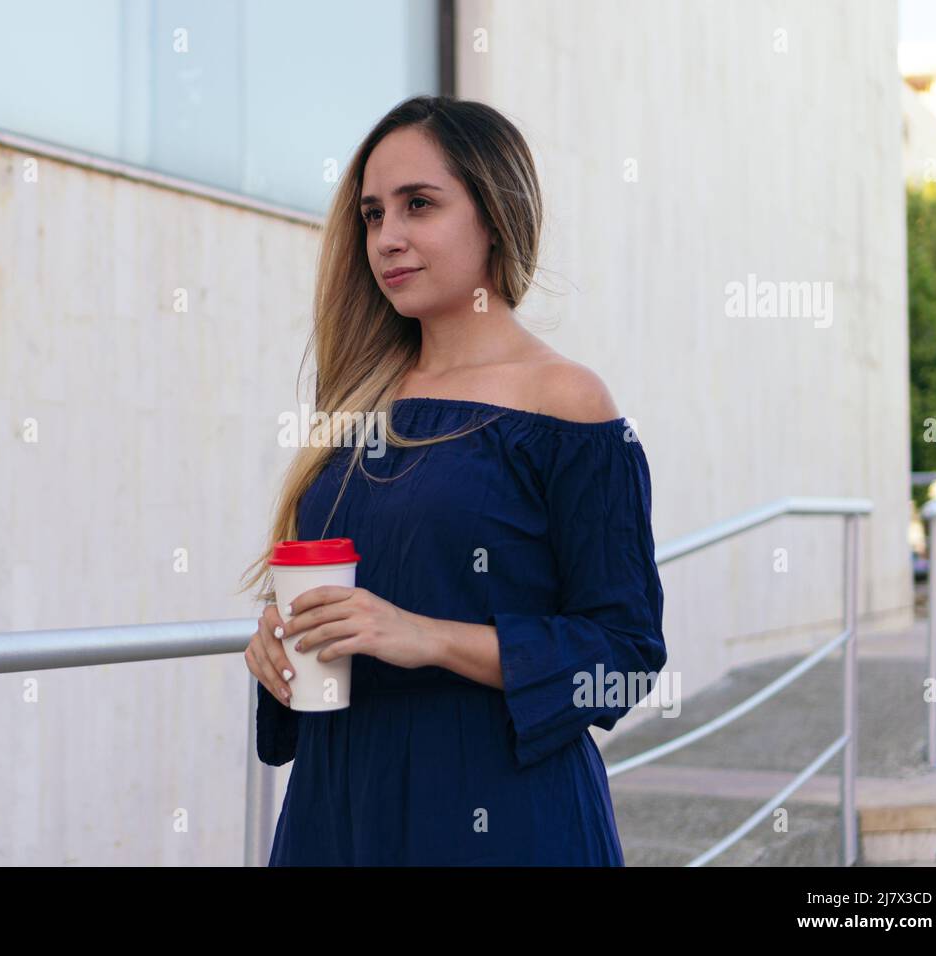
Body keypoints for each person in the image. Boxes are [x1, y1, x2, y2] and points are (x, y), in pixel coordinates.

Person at [236, 94, 667, 865]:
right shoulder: (357, 398)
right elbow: (340, 601)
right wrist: (279, 649)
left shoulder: (566, 401)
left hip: (497, 808)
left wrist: (426, 637)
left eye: (419, 205)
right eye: (372, 215)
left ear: (495, 217)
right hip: (337, 807)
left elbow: (622, 657)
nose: (387, 238)